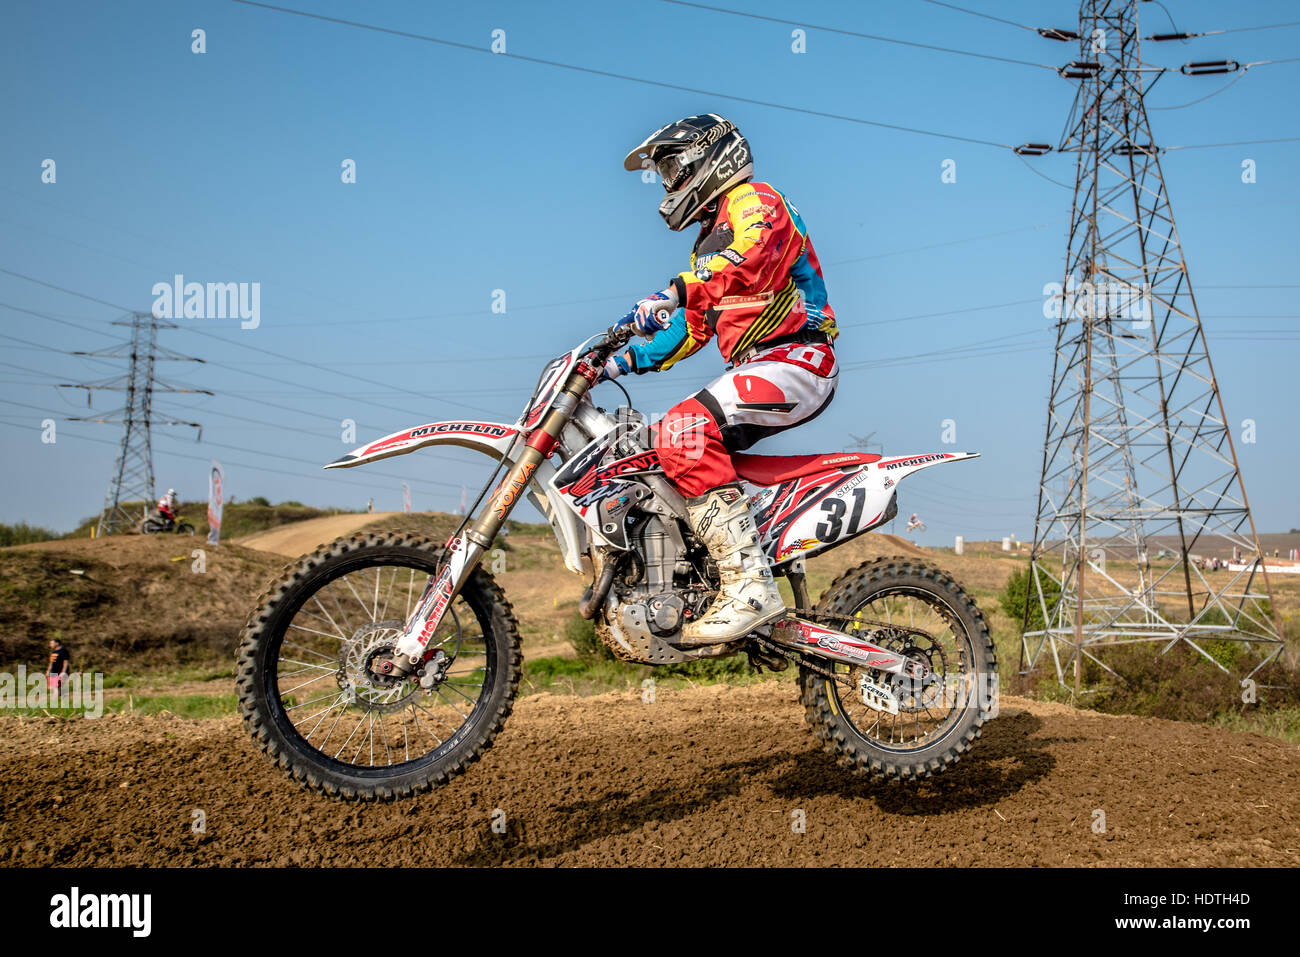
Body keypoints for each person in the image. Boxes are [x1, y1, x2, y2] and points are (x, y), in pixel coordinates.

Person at [604, 114, 839, 645]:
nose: (667, 183)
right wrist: (616, 362)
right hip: (760, 366)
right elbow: (690, 331)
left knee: (684, 428)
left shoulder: (754, 201)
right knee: (654, 444)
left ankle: (749, 589)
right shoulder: (708, 243)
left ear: (710, 159)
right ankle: (708, 573)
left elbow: (753, 257)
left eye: (672, 168)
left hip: (798, 359)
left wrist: (675, 290)